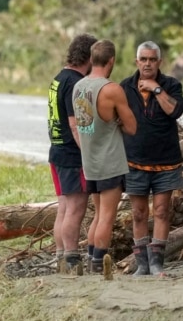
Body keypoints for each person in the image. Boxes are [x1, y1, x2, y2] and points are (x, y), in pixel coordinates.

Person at [120, 41, 183, 277]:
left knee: (161, 210)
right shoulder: (125, 87)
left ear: (159, 62)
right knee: (138, 213)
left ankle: (157, 263)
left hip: (166, 160)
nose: (147, 63)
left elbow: (175, 111)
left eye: (152, 59)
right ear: (136, 61)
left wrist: (156, 88)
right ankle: (142, 265)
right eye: (143, 59)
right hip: (134, 160)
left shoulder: (171, 85)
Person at [70, 40, 137, 277]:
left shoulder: (78, 87)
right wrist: (118, 119)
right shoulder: (111, 89)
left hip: (90, 161)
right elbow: (131, 126)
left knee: (98, 214)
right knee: (107, 216)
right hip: (109, 161)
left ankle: (90, 261)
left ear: (91, 59)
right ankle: (98, 265)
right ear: (111, 61)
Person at [46, 33, 96, 274]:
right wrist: (87, 152)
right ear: (89, 57)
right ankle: (72, 258)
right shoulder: (76, 83)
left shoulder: (58, 79)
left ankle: (60, 260)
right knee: (76, 209)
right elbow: (75, 124)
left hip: (56, 151)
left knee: (64, 209)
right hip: (71, 155)